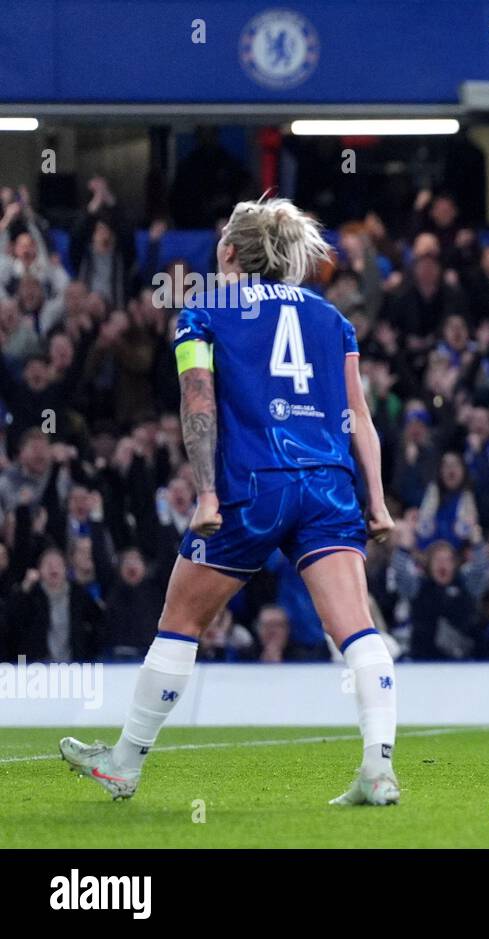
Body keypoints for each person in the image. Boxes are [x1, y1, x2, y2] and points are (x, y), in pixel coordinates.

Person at [59, 197, 399, 805]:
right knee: (356, 628)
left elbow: (199, 405)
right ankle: (378, 768)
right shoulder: (330, 319)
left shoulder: (204, 312)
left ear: (227, 253)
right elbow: (360, 416)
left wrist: (208, 492)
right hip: (326, 483)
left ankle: (125, 763)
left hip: (253, 486)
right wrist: (376, 500)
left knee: (182, 621)